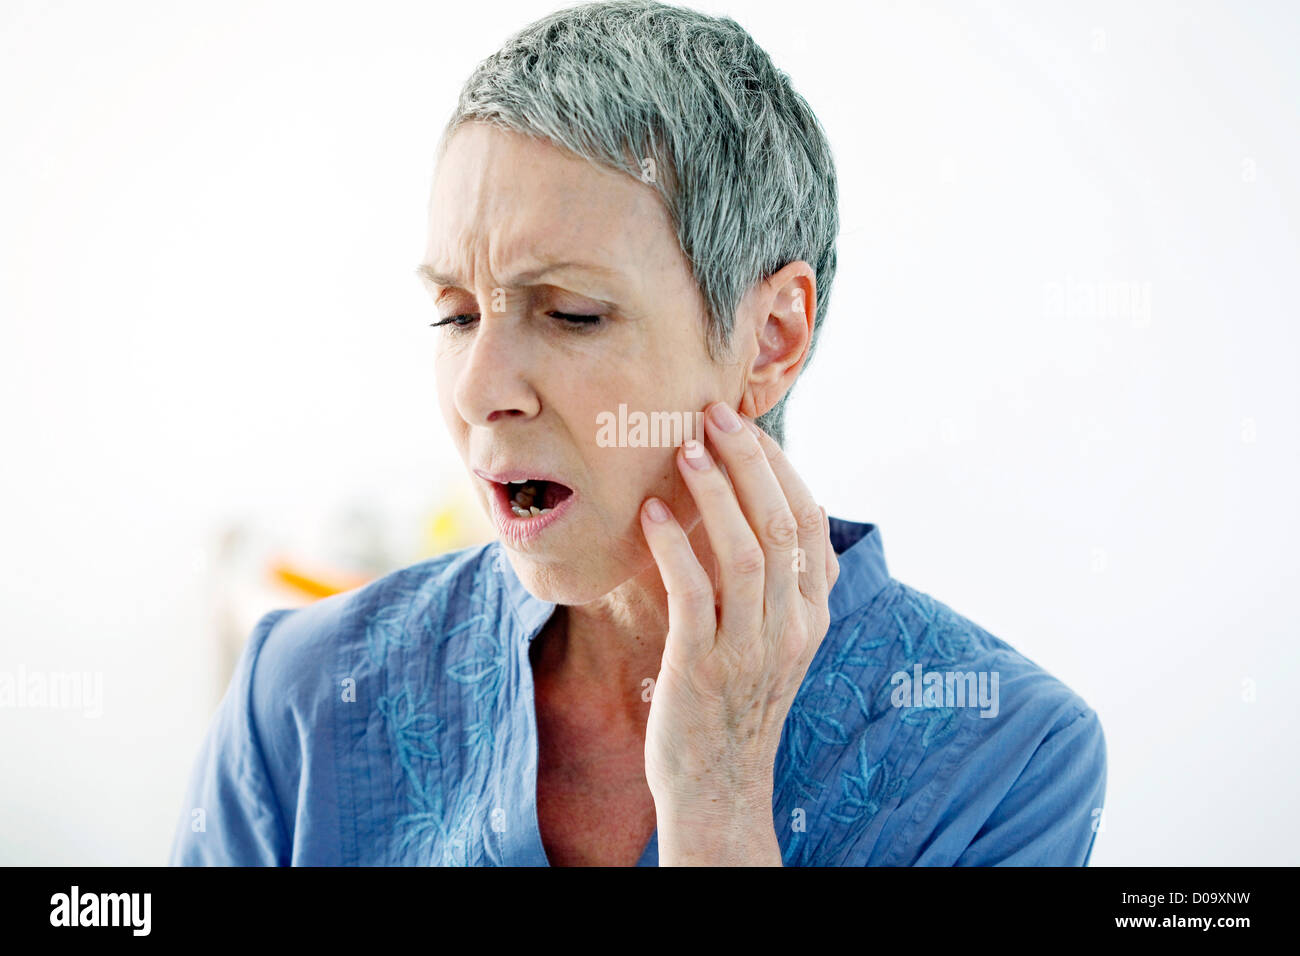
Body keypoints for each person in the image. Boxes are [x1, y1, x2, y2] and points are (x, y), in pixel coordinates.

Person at [170, 0, 1105, 866]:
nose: (481, 388)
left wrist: (720, 804)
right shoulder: (297, 700)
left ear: (770, 339)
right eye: (455, 315)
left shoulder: (1009, 760)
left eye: (571, 313)